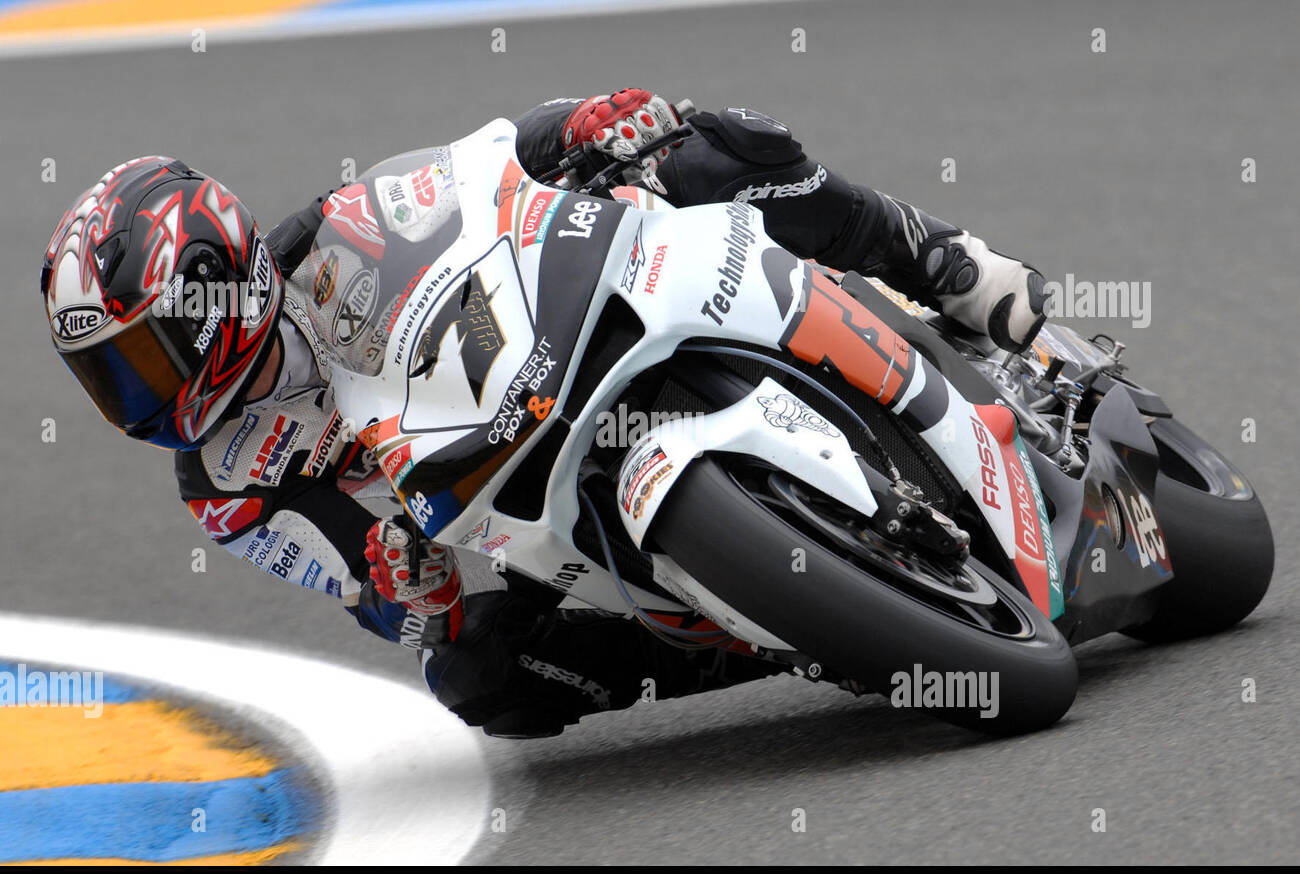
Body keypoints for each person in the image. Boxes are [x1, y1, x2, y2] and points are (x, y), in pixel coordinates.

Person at [41, 89, 1051, 738]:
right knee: (475, 673)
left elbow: (488, 163)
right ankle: (775, 632)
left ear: (221, 280)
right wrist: (398, 583)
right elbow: (380, 593)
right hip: (488, 502)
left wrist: (581, 127)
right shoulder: (223, 483)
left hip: (550, 350)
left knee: (711, 146)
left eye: (142, 356)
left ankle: (941, 262)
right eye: (108, 375)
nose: (139, 395)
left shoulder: (339, 227)